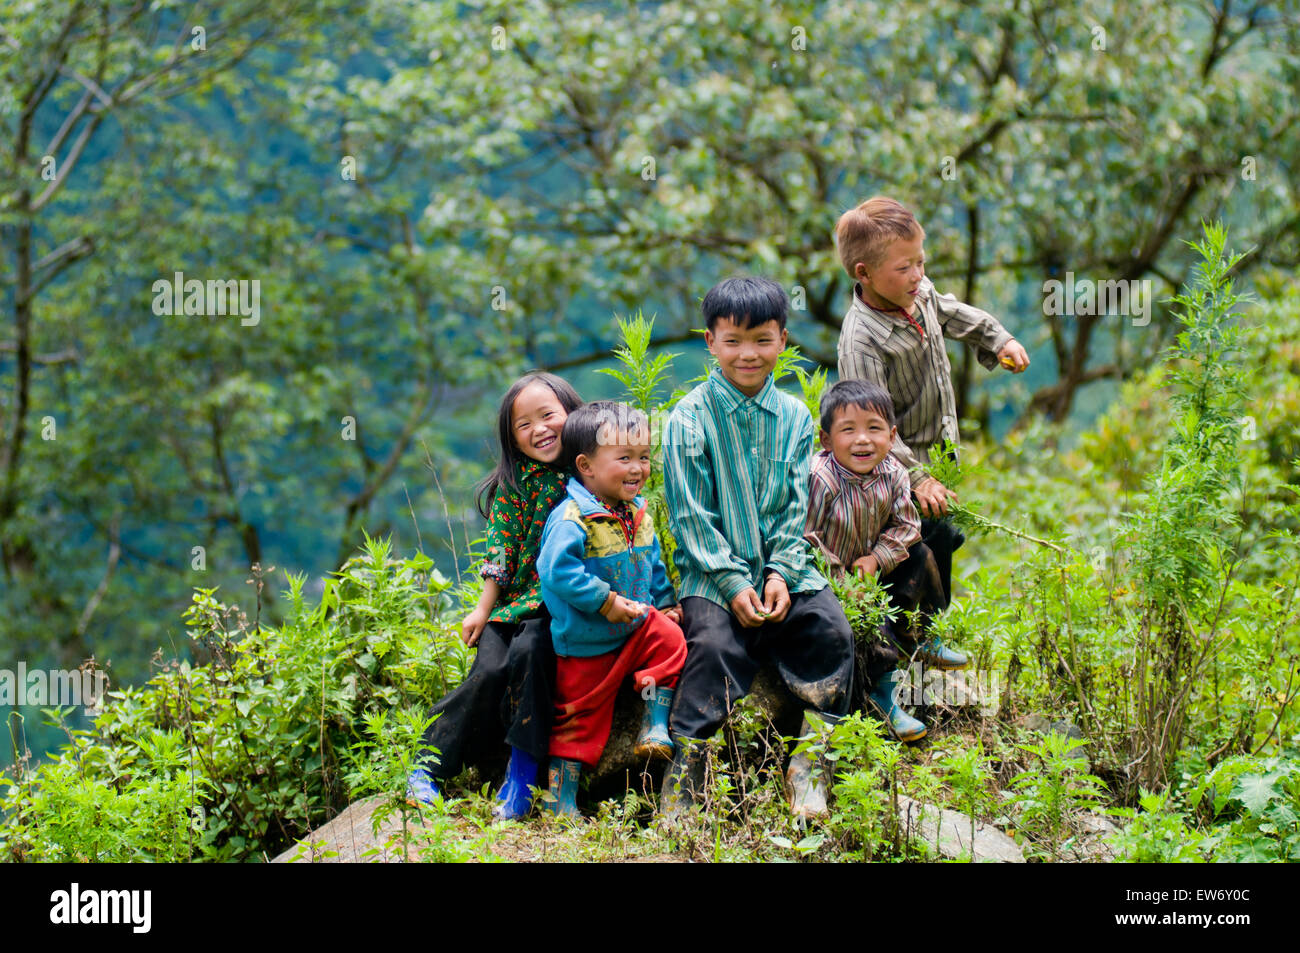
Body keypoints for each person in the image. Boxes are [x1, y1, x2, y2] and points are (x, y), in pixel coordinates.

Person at [660, 276, 855, 820]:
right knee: (715, 649)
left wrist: (779, 574)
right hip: (711, 574)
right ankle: (688, 772)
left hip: (783, 569)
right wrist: (735, 584)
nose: (749, 354)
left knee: (831, 632)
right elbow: (691, 519)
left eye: (762, 340)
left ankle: (809, 762)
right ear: (710, 342)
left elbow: (797, 507)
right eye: (734, 341)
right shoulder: (687, 419)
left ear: (783, 340)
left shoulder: (794, 416)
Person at [835, 196, 1029, 609]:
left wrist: (999, 339)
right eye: (904, 268)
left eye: (920, 262)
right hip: (894, 470)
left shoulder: (918, 295)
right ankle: (918, 636)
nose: (917, 275)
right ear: (864, 273)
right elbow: (869, 425)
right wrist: (918, 478)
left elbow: (953, 313)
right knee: (916, 542)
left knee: (941, 536)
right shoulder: (861, 340)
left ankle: (934, 630)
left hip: (938, 454)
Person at [407, 371, 582, 821]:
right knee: (488, 671)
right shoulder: (516, 485)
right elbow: (500, 550)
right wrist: (483, 610)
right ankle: (427, 767)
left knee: (531, 659)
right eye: (523, 425)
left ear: (572, 413)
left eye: (548, 416)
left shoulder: (590, 471)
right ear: (512, 440)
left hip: (562, 608)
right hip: (514, 605)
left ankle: (521, 776)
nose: (539, 429)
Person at [536, 401, 687, 817]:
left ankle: (654, 725)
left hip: (635, 627)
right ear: (585, 465)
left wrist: (667, 603)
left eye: (643, 457)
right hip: (587, 641)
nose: (638, 468)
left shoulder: (638, 513)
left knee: (672, 639)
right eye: (624, 458)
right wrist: (604, 601)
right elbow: (555, 570)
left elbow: (653, 565)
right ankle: (558, 801)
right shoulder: (573, 518)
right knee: (577, 720)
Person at [804, 379, 955, 743]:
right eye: (848, 430)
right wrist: (845, 582)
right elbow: (807, 538)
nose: (863, 440)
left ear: (891, 435)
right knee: (871, 618)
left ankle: (923, 633)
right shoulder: (821, 478)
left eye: (874, 429)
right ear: (826, 440)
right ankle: (884, 699)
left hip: (873, 567)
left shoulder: (894, 473)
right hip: (831, 578)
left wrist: (876, 558)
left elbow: (907, 526)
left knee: (921, 553)